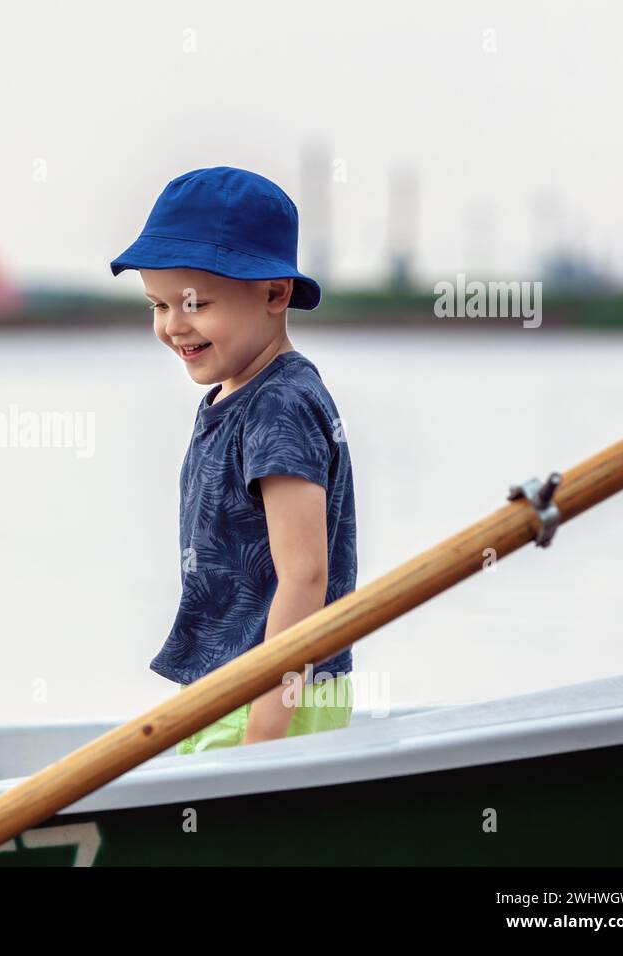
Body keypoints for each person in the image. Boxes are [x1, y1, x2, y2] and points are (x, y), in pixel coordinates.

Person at [109, 166, 357, 755]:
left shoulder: (279, 405)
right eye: (158, 304)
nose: (172, 326)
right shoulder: (231, 395)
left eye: (194, 303)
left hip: (271, 695)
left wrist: (265, 730)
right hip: (229, 689)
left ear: (275, 293)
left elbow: (305, 577)